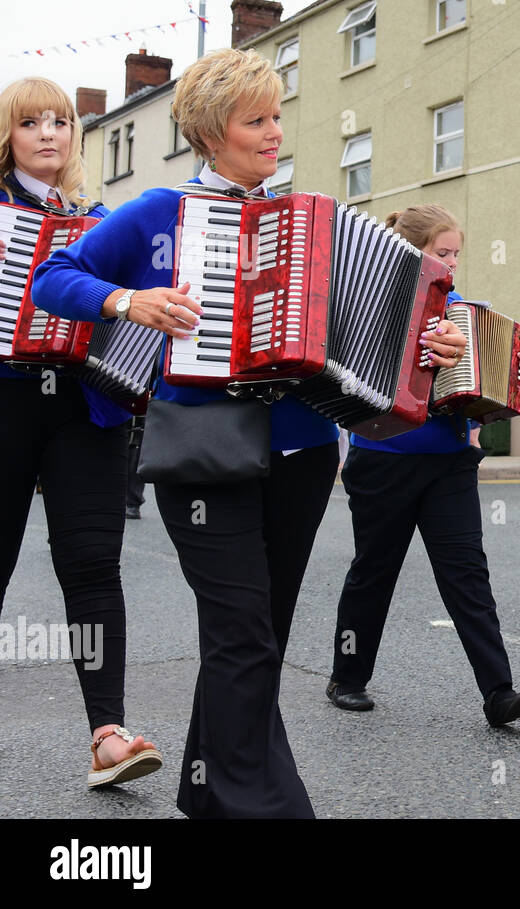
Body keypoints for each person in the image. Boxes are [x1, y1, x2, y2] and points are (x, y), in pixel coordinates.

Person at [33, 48, 408, 816]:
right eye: (257, 120)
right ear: (211, 133)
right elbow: (53, 278)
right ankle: (259, 806)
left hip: (303, 450)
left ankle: (206, 790)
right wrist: (124, 302)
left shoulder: (309, 222)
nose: (276, 133)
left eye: (277, 116)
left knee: (257, 633)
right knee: (241, 632)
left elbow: (376, 320)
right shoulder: (158, 214)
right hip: (203, 451)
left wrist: (426, 342)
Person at [0, 77, 162, 790]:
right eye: (29, 121)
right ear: (7, 134)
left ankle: (108, 736)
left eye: (60, 121)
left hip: (85, 402)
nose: (47, 132)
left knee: (94, 562)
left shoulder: (100, 218)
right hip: (4, 398)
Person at [327, 204, 520, 727]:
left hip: (449, 460)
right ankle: (347, 678)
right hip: (382, 458)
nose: (452, 264)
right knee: (374, 570)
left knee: (468, 574)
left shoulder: (463, 309)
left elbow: (475, 389)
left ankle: (499, 692)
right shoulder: (369, 304)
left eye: (456, 255)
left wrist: (514, 366)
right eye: (442, 253)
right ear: (410, 251)